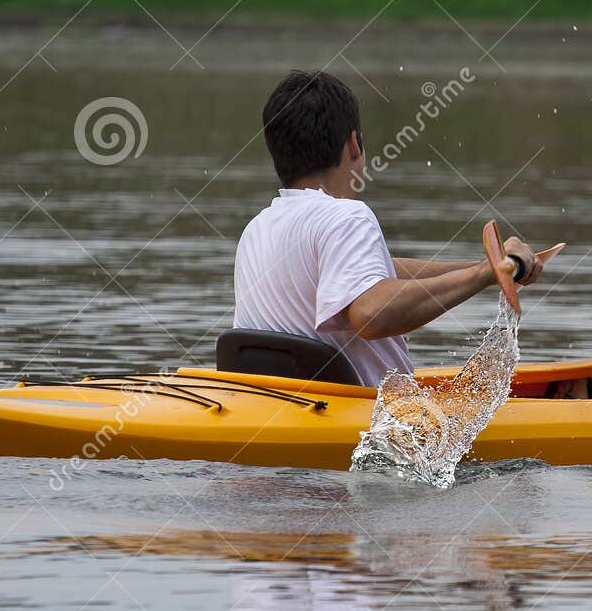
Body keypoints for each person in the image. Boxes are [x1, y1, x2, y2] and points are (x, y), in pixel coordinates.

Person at [235, 70, 551, 387]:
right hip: (363, 416)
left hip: (268, 406)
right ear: (354, 145)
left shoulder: (257, 230)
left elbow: (376, 272)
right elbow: (369, 312)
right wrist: (484, 273)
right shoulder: (347, 216)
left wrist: (487, 267)